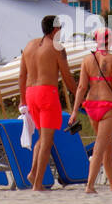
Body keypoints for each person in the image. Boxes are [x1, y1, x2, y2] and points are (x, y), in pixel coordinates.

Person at [18, 14, 77, 191]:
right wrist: (80, 96)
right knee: (47, 141)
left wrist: (22, 100)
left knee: (42, 137)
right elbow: (67, 77)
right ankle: (37, 184)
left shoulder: (29, 46)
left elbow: (21, 75)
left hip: (30, 94)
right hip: (46, 93)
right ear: (56, 29)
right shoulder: (57, 47)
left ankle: (33, 173)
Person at [69, 26, 112, 193]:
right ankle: (90, 185)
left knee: (107, 146)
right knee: (100, 146)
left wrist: (74, 111)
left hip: (91, 105)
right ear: (110, 40)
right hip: (107, 105)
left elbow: (81, 87)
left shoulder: (87, 60)